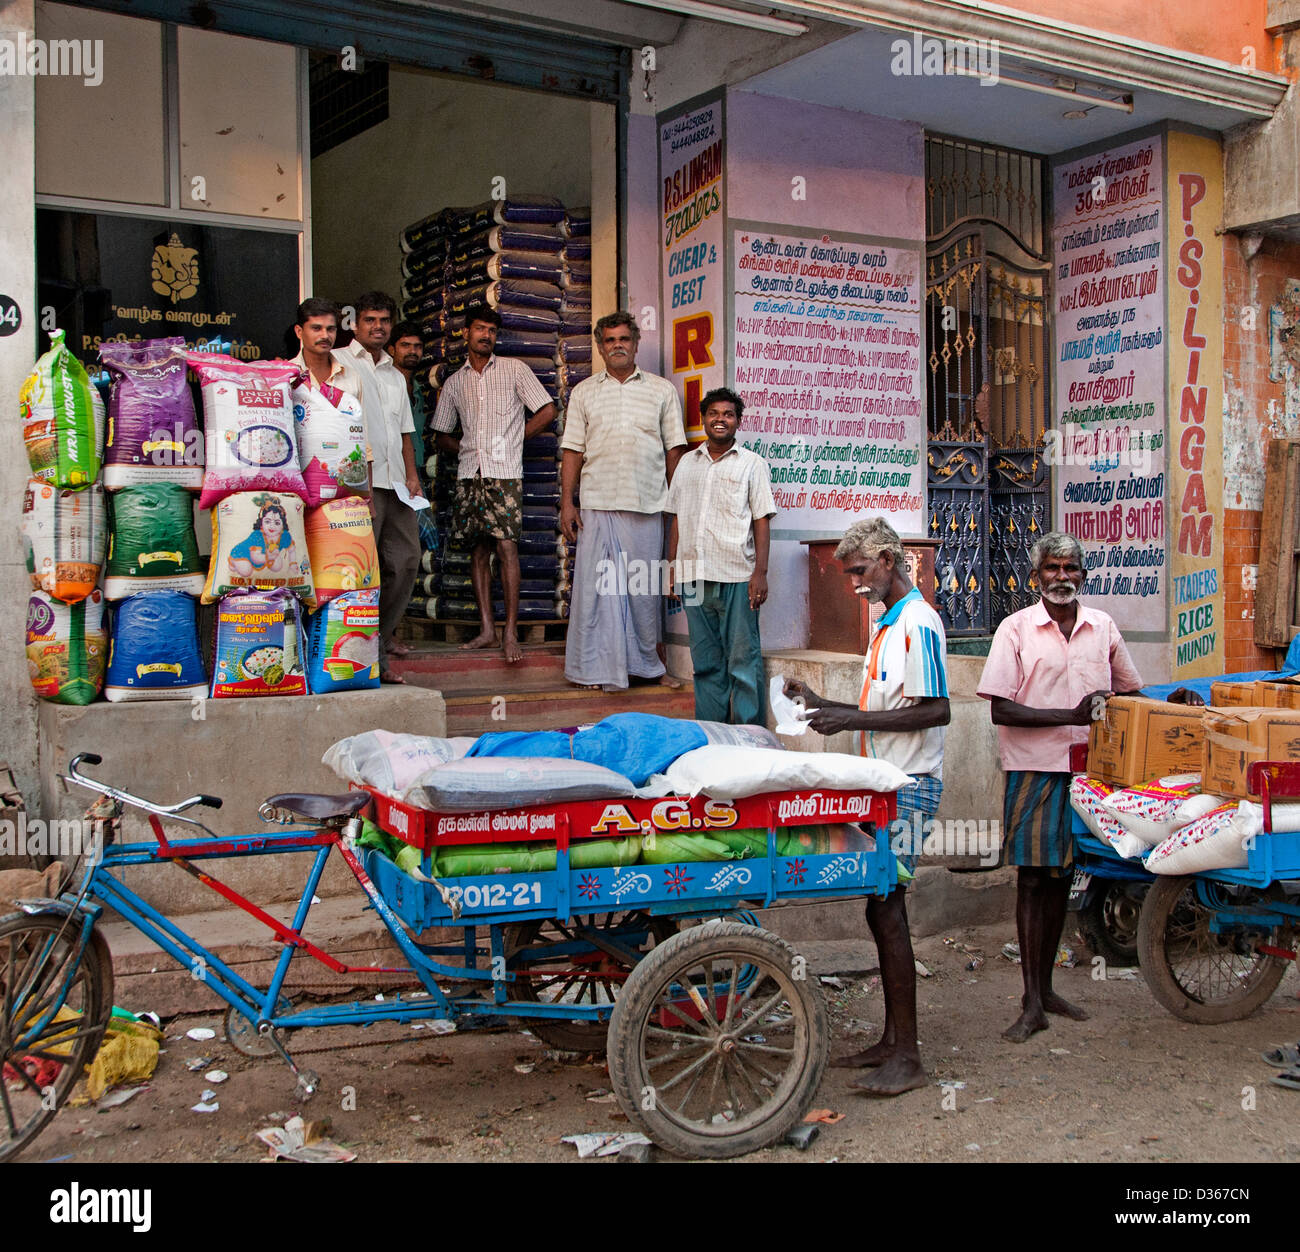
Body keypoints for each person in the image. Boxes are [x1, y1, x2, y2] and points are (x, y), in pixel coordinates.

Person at [783, 517, 949, 1096]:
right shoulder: (888, 624)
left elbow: (936, 711)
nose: (854, 581)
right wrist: (821, 704)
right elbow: (884, 709)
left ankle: (908, 1055)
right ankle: (893, 1042)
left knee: (888, 906)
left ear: (887, 559)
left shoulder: (919, 624)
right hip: (885, 785)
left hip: (912, 786)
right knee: (881, 907)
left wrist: (850, 717)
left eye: (858, 570)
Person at [977, 530, 1144, 1042]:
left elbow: (1128, 691)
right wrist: (1066, 715)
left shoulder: (1103, 627)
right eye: (1053, 568)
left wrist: (1173, 700)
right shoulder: (1016, 629)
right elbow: (999, 707)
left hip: (1090, 771)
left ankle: (1046, 991)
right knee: (1032, 879)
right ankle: (1030, 1001)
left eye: (1071, 569)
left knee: (1061, 879)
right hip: (1034, 767)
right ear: (1036, 576)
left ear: (1083, 576)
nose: (1062, 577)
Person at [561, 311, 687, 692]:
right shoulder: (584, 392)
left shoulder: (661, 390)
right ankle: (594, 671)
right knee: (597, 592)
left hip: (647, 503)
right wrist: (568, 503)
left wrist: (677, 507)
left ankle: (648, 667)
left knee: (642, 591)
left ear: (635, 344)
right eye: (610, 340)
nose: (617, 345)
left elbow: (674, 451)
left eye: (624, 339)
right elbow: (572, 450)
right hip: (597, 502)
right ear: (600, 347)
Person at [431, 305, 557, 663]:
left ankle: (511, 631)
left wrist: (517, 439)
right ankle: (487, 629)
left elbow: (547, 410)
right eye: (479, 329)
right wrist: (467, 447)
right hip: (471, 473)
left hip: (505, 473)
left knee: (506, 548)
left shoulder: (515, 370)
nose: (486, 335)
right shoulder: (455, 382)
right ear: (466, 333)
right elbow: (441, 434)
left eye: (491, 330)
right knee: (478, 550)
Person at [665, 387, 775, 724]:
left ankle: (749, 738)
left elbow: (761, 519)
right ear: (703, 420)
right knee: (706, 662)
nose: (720, 420)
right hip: (693, 577)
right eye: (714, 414)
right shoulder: (686, 463)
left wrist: (761, 572)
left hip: (737, 577)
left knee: (743, 661)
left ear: (738, 422)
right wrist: (671, 568)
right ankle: (713, 734)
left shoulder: (752, 464)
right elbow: (677, 518)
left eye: (728, 414)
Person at [335, 291, 423, 683]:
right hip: (358, 484)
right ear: (355, 324)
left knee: (405, 562)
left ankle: (378, 642)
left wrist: (413, 475)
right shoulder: (338, 362)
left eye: (384, 320)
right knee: (362, 569)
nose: (378, 327)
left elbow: (406, 433)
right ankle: (364, 659)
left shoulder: (394, 374)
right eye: (371, 320)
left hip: (396, 483)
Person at [387, 319, 430, 473]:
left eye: (417, 346)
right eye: (405, 345)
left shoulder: (417, 390)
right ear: (391, 350)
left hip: (414, 470)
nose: (412, 351)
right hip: (391, 471)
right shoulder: (384, 385)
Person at [228, 500, 297, 578]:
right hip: (242, 554)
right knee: (246, 571)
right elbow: (255, 558)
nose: (272, 526)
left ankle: (269, 559)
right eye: (267, 522)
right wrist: (269, 557)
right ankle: (233, 562)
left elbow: (292, 550)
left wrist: (293, 564)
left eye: (277, 523)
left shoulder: (285, 536)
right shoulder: (257, 536)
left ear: (283, 525)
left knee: (278, 566)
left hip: (265, 556)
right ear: (261, 523)